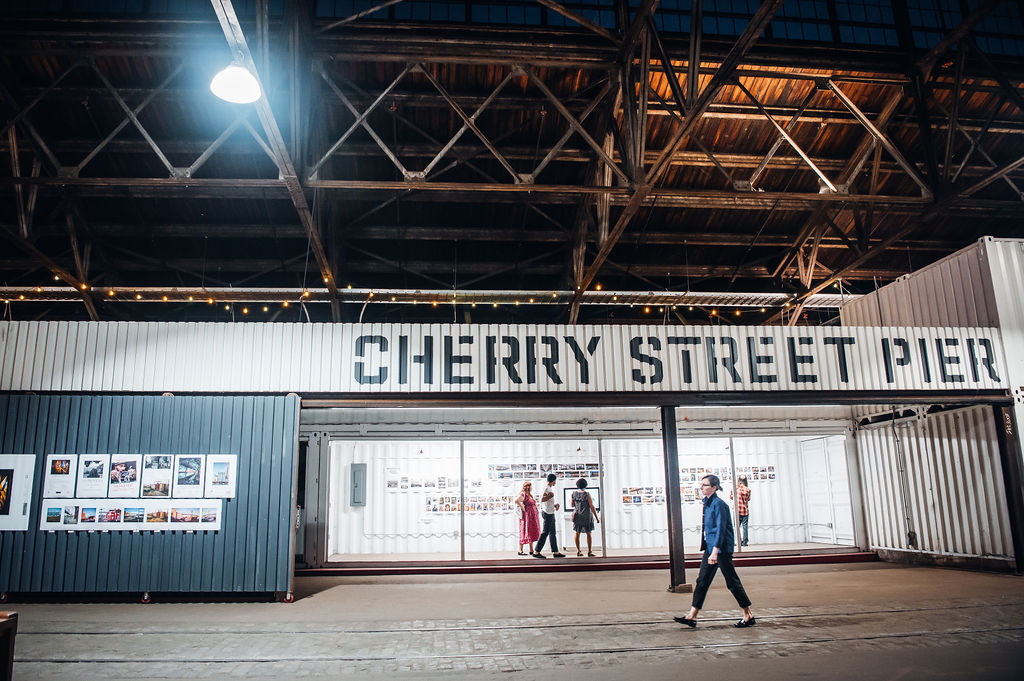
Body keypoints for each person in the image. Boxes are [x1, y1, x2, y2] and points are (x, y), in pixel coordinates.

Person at [674, 474, 756, 629]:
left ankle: (748, 615)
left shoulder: (719, 505)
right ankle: (692, 616)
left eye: (704, 485)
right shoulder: (708, 503)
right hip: (711, 548)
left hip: (721, 550)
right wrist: (709, 549)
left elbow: (721, 530)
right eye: (701, 484)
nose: (701, 487)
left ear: (714, 487)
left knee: (732, 582)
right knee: (702, 581)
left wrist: (715, 552)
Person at [534, 473, 566, 558]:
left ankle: (555, 552)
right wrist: (549, 496)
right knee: (545, 533)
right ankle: (536, 551)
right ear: (553, 480)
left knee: (552, 533)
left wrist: (554, 505)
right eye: (555, 481)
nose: (555, 482)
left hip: (550, 512)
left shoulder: (548, 488)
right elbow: (542, 499)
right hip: (548, 513)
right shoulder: (547, 488)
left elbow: (547, 501)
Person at [571, 478, 599, 557]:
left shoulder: (574, 493)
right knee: (588, 534)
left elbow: (572, 505)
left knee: (577, 533)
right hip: (587, 516)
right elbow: (592, 506)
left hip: (578, 516)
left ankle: (578, 550)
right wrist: (596, 517)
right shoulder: (587, 494)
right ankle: (589, 551)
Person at [516, 481, 541, 556]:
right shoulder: (523, 494)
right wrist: (522, 507)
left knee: (531, 531)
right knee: (525, 530)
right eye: (530, 486)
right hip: (527, 516)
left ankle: (531, 549)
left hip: (532, 516)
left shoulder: (529, 495)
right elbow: (516, 500)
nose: (531, 487)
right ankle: (520, 550)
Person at [734, 476, 751, 547]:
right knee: (745, 526)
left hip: (737, 510)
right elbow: (748, 499)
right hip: (745, 510)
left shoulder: (735, 489)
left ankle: (738, 541)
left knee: (737, 527)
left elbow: (731, 497)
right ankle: (745, 542)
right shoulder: (748, 489)